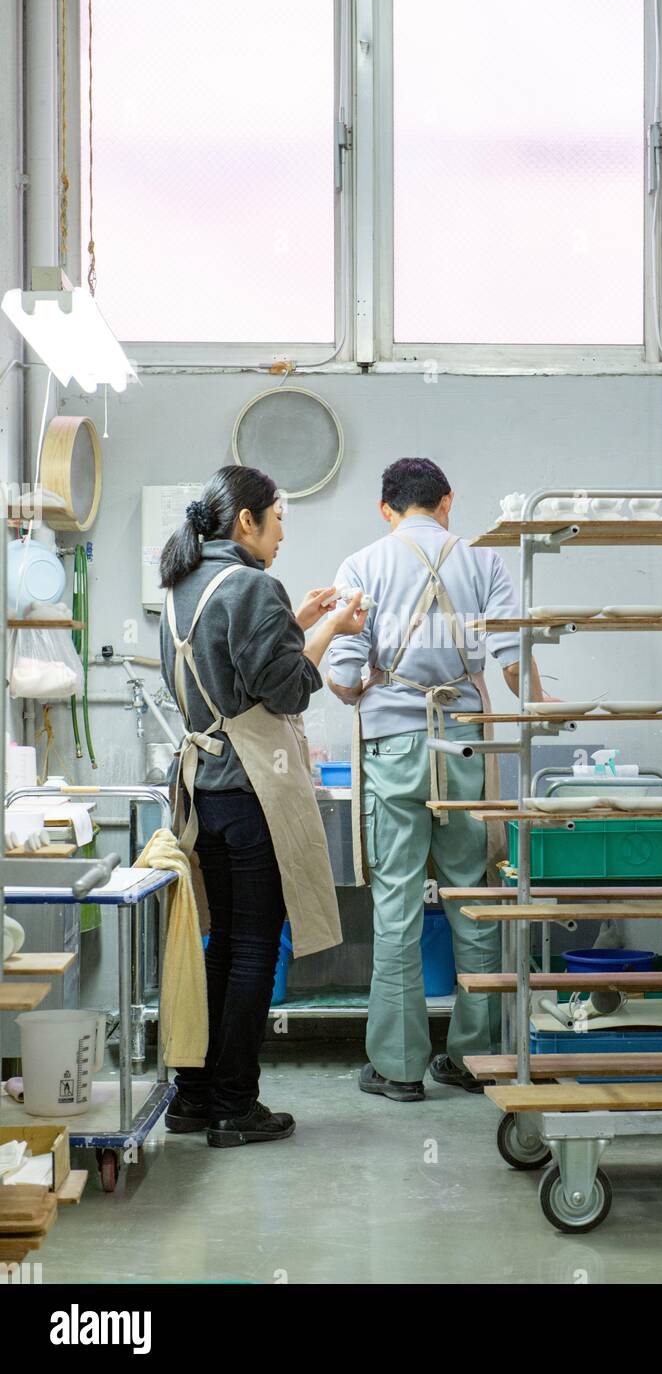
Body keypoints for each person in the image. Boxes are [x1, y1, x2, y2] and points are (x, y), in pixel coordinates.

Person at [158, 465, 366, 1146]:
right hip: (251, 793)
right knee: (253, 952)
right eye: (277, 521)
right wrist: (332, 627)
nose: (280, 536)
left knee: (221, 946)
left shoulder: (183, 586)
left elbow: (240, 670)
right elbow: (287, 690)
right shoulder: (251, 585)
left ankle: (196, 1094)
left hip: (205, 795)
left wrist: (299, 619)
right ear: (246, 520)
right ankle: (236, 1106)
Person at [328, 457, 540, 1102]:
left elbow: (340, 677)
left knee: (396, 903)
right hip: (465, 746)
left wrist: (367, 686)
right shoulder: (485, 562)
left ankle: (398, 1069)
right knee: (473, 897)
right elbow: (511, 658)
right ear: (448, 500)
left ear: (386, 509)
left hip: (394, 746)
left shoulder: (361, 565)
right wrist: (539, 707)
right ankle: (474, 1058)